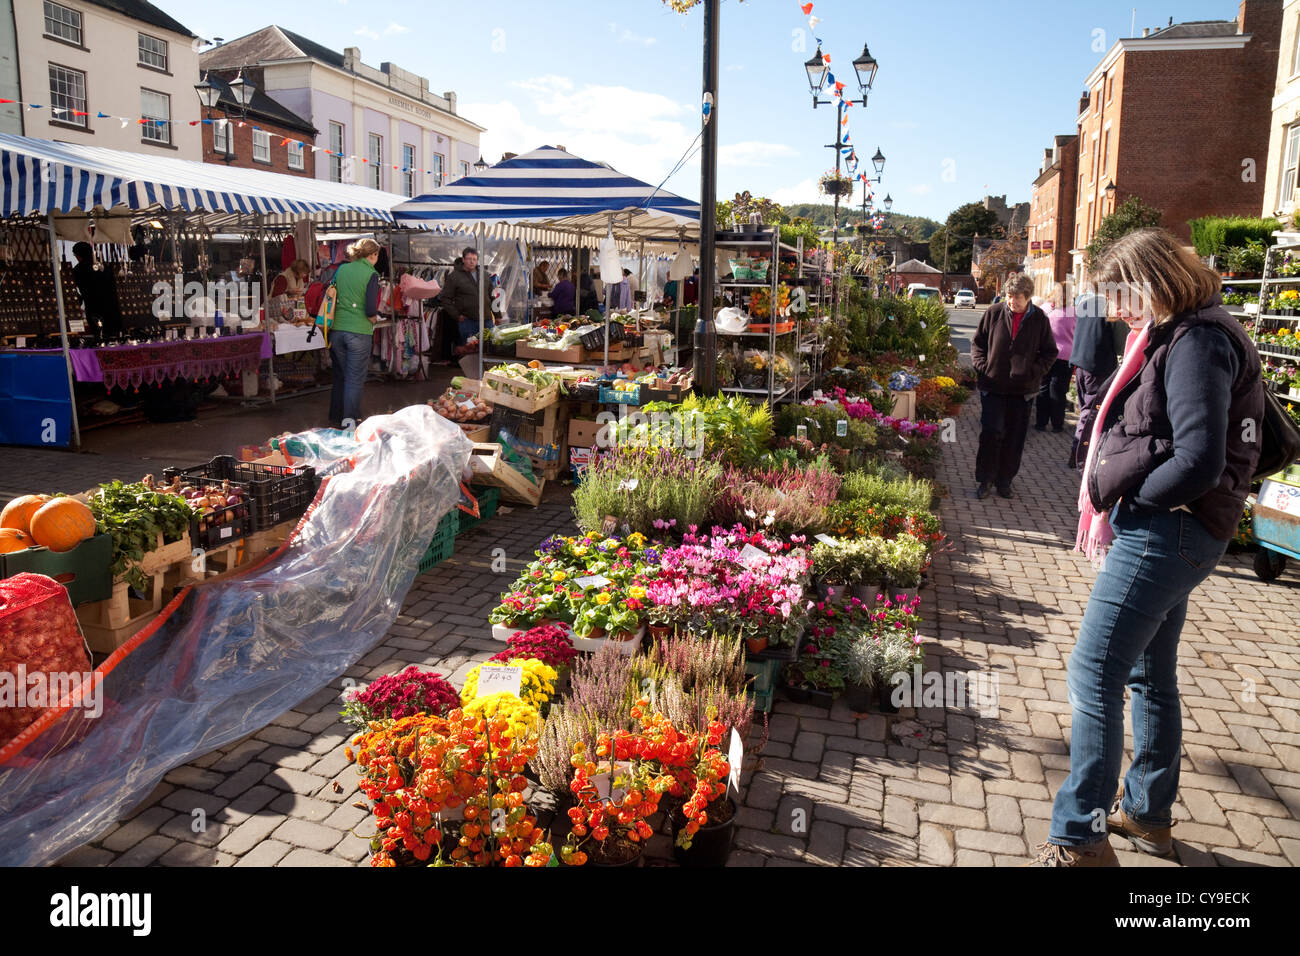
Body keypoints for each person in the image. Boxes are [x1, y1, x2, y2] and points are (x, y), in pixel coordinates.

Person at [1030, 228, 1264, 867]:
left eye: (1120, 294)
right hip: (1184, 531)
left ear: (1151, 279)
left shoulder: (1196, 341)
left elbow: (1198, 458)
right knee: (1147, 671)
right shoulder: (1191, 331)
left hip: (1169, 530)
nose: (1113, 310)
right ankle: (1147, 814)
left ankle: (1080, 836)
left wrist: (1135, 502)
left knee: (1093, 670)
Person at [969, 272, 1058, 499]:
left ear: (1028, 297)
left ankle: (1005, 480)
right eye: (1009, 296)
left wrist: (1033, 372)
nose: (1012, 301)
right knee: (991, 432)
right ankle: (985, 479)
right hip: (993, 386)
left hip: (1022, 391)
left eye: (1017, 297)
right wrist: (982, 365)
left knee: (1014, 437)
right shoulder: (994, 313)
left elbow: (1050, 352)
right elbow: (978, 343)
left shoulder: (1039, 319)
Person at [327, 238, 382, 429]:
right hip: (358, 332)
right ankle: (349, 420)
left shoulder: (342, 269)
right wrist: (376, 319)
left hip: (336, 331)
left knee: (341, 375)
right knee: (354, 378)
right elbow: (369, 310)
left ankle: (336, 415)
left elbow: (330, 294)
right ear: (372, 255)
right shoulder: (371, 274)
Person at [1069, 291, 1120, 470]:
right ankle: (1078, 456)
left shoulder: (1086, 302)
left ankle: (1077, 454)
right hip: (1098, 366)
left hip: (1080, 362)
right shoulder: (1110, 306)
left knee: (1085, 409)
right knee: (1090, 413)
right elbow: (1120, 343)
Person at [1035, 287, 1077, 433]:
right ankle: (1057, 424)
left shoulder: (1044, 309)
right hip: (1066, 355)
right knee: (1059, 390)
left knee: (1043, 388)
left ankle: (1041, 423)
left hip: (1045, 353)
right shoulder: (1073, 312)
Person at [71, 241, 124, 340]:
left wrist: (79, 301)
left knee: (100, 337)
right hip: (112, 308)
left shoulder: (78, 270)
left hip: (94, 309)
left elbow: (73, 291)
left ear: (78, 255)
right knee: (114, 337)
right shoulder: (104, 266)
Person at [439, 247, 492, 346]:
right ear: (463, 260)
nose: (471, 262)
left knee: (488, 348)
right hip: (468, 321)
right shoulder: (454, 276)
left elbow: (492, 295)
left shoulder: (484, 275)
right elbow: (445, 298)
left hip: (486, 320)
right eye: (469, 259)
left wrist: (497, 315)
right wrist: (457, 315)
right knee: (469, 350)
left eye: (474, 259)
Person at [268, 258, 311, 324]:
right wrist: (289, 292)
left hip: (290, 312)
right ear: (298, 271)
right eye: (304, 273)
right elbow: (275, 296)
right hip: (277, 312)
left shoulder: (299, 279)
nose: (305, 275)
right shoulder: (282, 278)